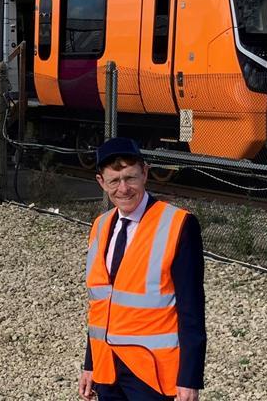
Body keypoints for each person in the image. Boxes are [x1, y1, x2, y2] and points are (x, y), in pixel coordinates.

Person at [78, 137, 206, 401]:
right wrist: (90, 364)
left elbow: (191, 307)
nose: (123, 189)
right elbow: (101, 307)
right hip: (107, 369)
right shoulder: (100, 227)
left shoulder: (179, 224)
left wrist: (189, 378)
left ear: (145, 173)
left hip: (151, 373)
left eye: (130, 178)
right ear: (101, 182)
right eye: (114, 181)